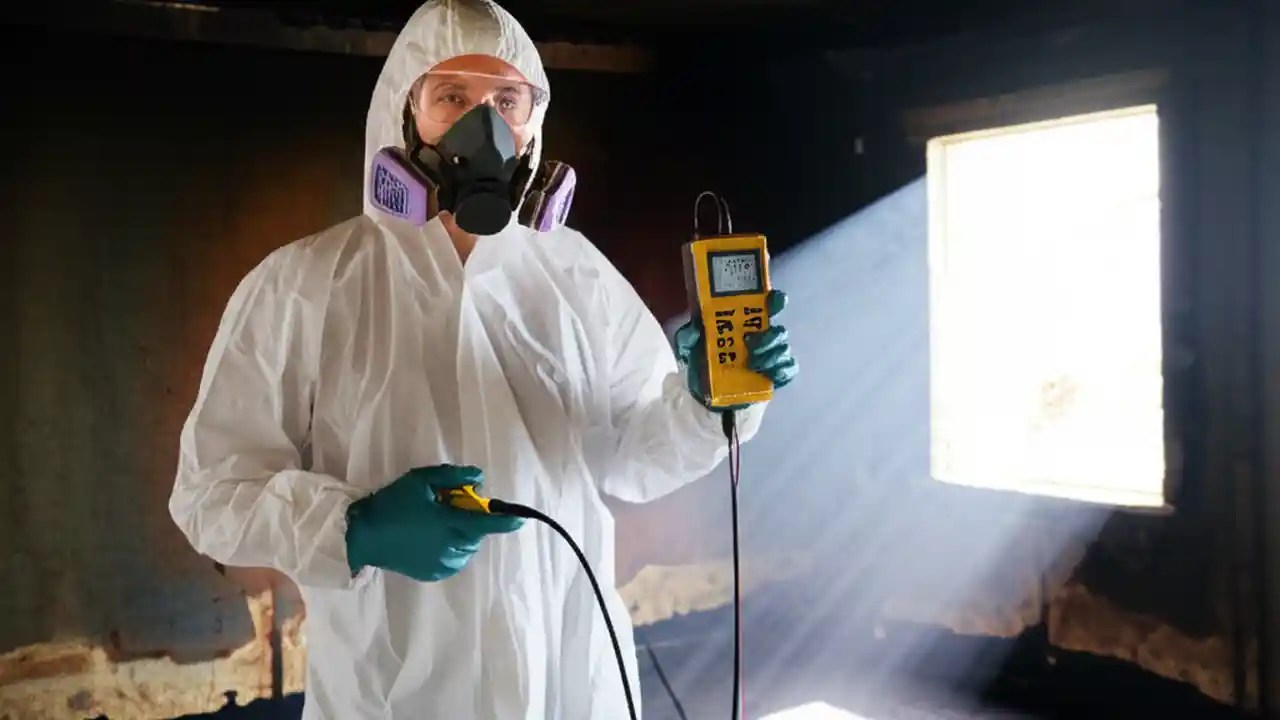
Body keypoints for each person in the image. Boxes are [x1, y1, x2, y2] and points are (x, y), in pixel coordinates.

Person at [168, 1, 797, 718]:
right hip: (392, 695)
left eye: (507, 100)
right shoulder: (303, 284)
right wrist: (355, 526)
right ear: (404, 115)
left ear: (535, 121)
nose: (486, 129)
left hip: (571, 686)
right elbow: (210, 495)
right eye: (453, 98)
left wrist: (707, 405)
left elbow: (633, 457)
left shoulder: (576, 273)